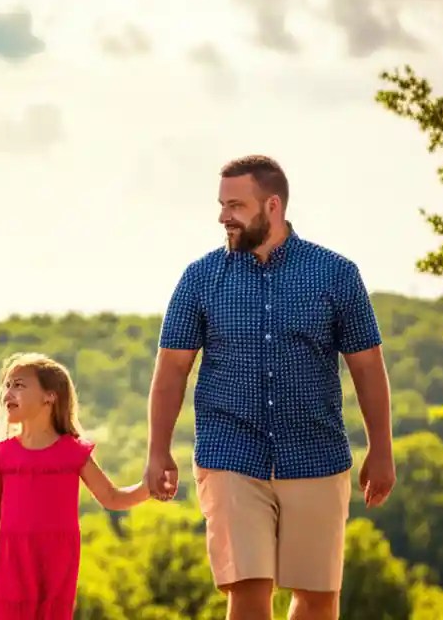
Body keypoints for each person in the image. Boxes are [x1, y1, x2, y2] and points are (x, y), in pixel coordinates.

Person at [144, 155, 396, 620]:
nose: (223, 217)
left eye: (235, 205)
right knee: (248, 588)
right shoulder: (199, 279)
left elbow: (367, 367)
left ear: (273, 206)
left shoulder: (336, 274)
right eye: (221, 205)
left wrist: (381, 448)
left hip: (316, 453)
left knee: (318, 597)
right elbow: (171, 371)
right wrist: (158, 449)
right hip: (230, 455)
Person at [0, 352, 149, 620]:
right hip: (13, 558)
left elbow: (111, 498)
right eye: (6, 385)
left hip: (56, 559)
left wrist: (150, 486)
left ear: (49, 396)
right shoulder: (3, 454)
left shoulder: (72, 452)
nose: (8, 392)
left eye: (19, 385)